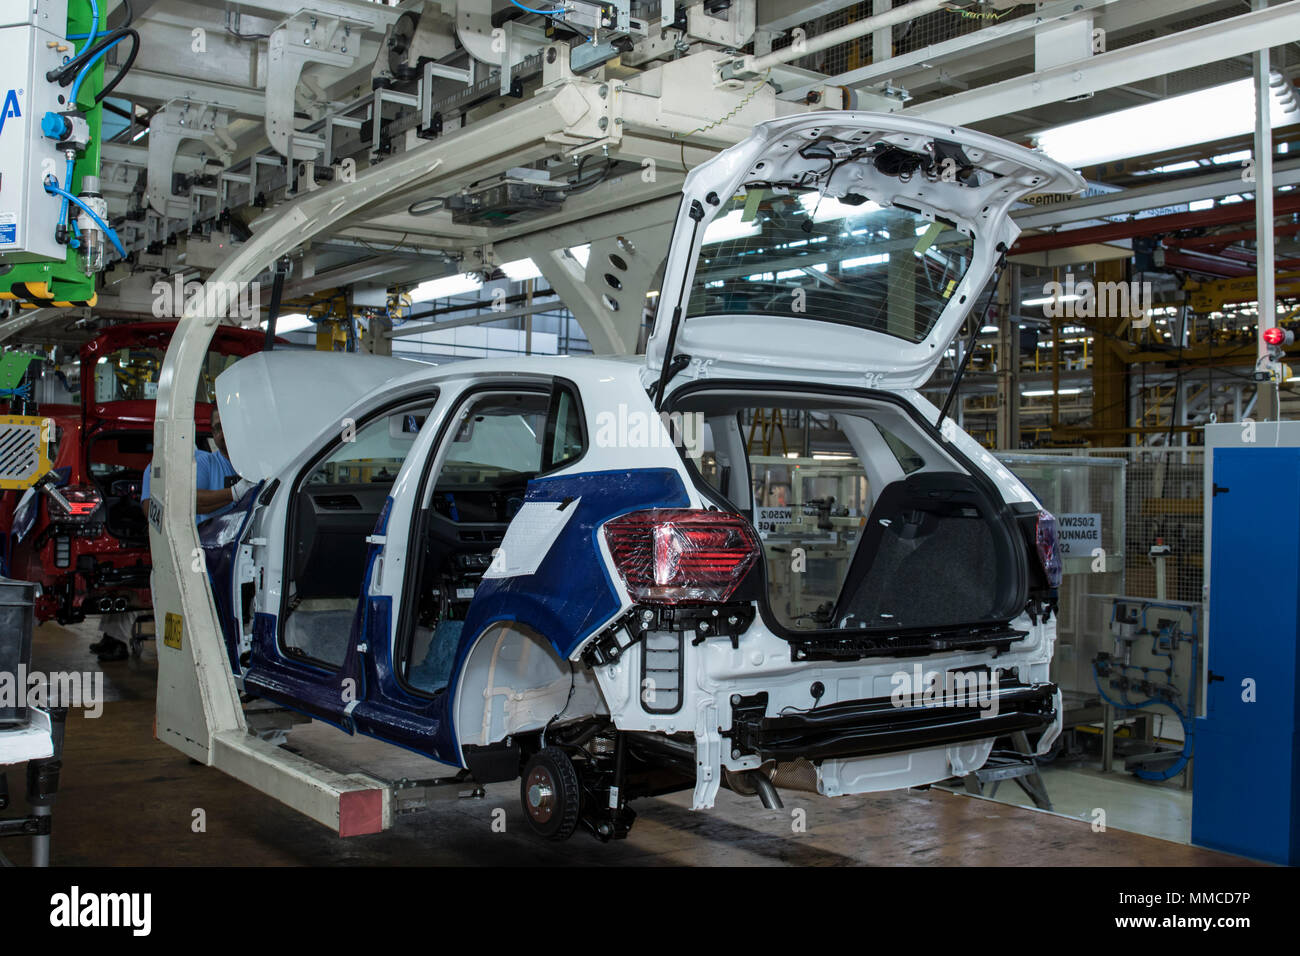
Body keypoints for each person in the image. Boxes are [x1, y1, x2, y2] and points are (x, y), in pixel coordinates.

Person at [92, 407, 250, 662]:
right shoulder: (188, 465)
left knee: (224, 639)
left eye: (226, 426)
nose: (222, 433)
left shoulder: (250, 466)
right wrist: (234, 494)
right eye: (217, 428)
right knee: (184, 645)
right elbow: (170, 507)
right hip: (184, 568)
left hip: (230, 571)